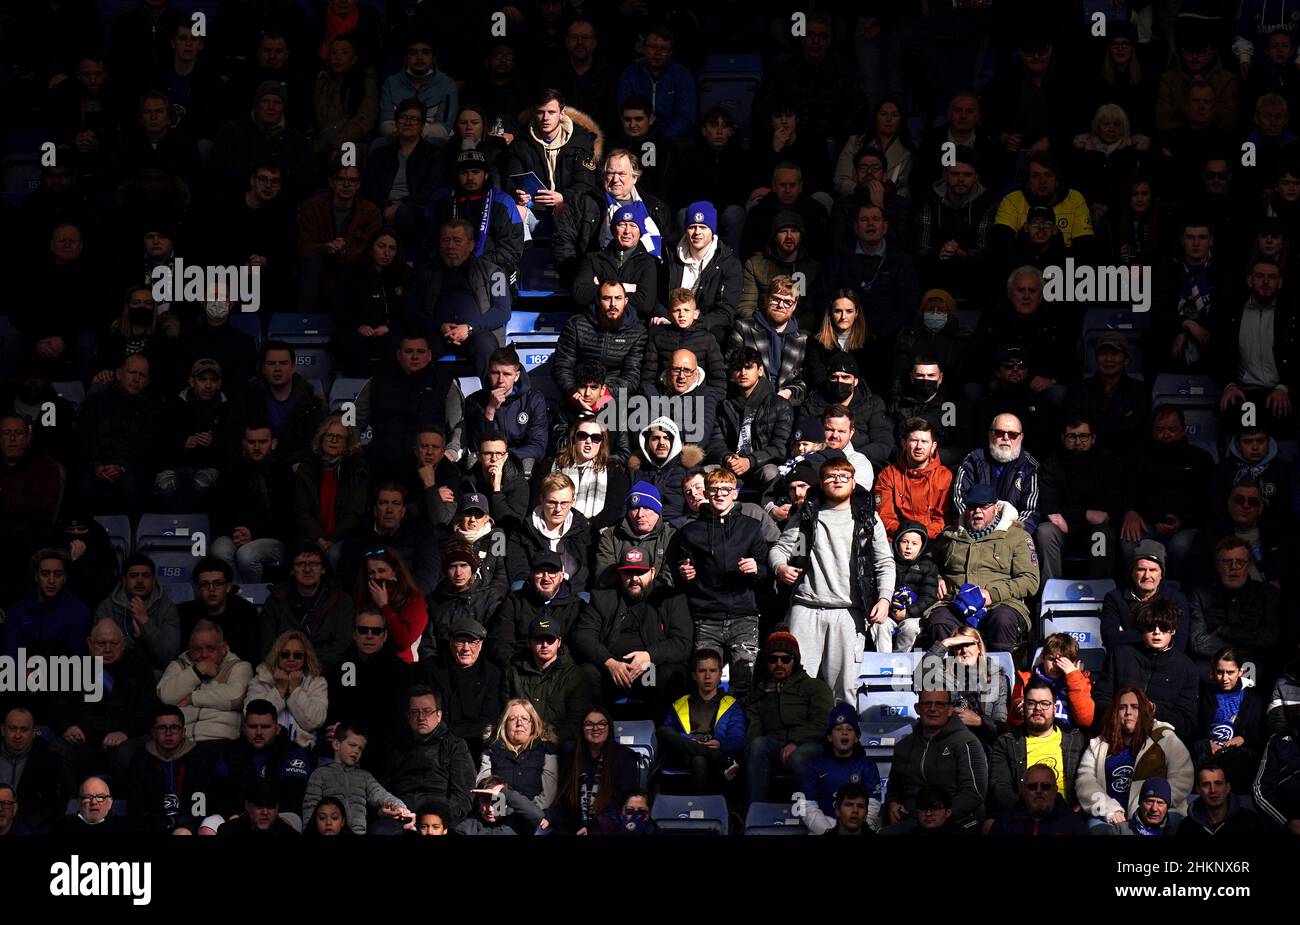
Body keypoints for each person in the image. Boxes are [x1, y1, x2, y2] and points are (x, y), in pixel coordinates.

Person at [770, 457, 894, 694]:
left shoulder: (868, 518)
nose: (837, 480)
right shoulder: (807, 516)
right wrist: (781, 568)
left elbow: (885, 562)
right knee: (793, 687)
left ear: (853, 481)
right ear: (821, 482)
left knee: (844, 690)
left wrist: (885, 598)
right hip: (806, 608)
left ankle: (844, 731)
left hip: (849, 611)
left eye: (843, 476)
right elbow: (780, 549)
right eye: (830, 476)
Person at [670, 467, 770, 696]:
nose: (720, 494)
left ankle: (740, 731)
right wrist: (684, 574)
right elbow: (679, 572)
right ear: (706, 493)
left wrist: (757, 569)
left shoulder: (751, 527)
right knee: (704, 685)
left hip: (743, 615)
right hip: (706, 616)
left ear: (735, 493)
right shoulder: (689, 532)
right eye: (714, 489)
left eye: (726, 489)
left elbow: (766, 573)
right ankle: (705, 731)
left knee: (744, 684)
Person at [571, 545, 693, 712]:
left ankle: (665, 733)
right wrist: (609, 662)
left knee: (671, 675)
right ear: (620, 574)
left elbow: (683, 643)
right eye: (628, 573)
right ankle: (594, 731)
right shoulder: (603, 598)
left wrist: (650, 656)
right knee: (586, 673)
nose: (634, 578)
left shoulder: (670, 598)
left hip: (650, 672)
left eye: (640, 572)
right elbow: (583, 636)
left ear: (652, 572)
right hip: (612, 672)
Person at [923, 484, 1040, 653]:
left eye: (984, 507)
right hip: (954, 603)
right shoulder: (950, 536)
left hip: (1000, 604)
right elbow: (927, 563)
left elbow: (1030, 580)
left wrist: (991, 594)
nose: (977, 511)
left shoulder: (1017, 537)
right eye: (972, 507)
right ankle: (947, 676)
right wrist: (936, 578)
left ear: (995, 508)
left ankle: (998, 675)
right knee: (938, 621)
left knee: (1002, 620)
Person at [406, 220, 511, 382]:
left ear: (471, 245)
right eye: (446, 240)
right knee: (418, 349)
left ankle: (493, 401)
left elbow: (502, 311)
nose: (451, 246)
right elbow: (412, 310)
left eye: (457, 241)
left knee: (485, 346)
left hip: (477, 333)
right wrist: (439, 326)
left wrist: (469, 328)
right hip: (436, 332)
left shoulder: (494, 272)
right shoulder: (424, 273)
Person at [1077, 688, 1194, 827]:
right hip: (1111, 817)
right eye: (1122, 708)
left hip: (1157, 815)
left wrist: (1152, 809)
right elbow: (1085, 782)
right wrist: (1109, 810)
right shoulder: (1099, 744)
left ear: (1143, 711)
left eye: (1135, 707)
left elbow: (1183, 777)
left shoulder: (1164, 737)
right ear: (1115, 712)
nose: (1128, 713)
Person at [744, 627, 835, 805]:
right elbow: (754, 728)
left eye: (785, 659)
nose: (779, 663)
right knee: (757, 746)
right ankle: (755, 812)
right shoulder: (761, 692)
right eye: (773, 659)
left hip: (810, 745)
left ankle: (814, 812)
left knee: (798, 757)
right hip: (774, 746)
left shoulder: (815, 686)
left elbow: (824, 723)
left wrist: (795, 741)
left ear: (795, 660)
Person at [882, 688, 988, 833]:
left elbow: (974, 792)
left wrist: (942, 815)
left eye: (940, 704)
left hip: (957, 821)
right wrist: (893, 803)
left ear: (950, 710)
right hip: (913, 821)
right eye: (927, 704)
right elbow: (894, 788)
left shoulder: (966, 742)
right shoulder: (904, 746)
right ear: (917, 709)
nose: (933, 709)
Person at [813, 203, 920, 345]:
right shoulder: (838, 258)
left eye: (876, 219)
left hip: (889, 340)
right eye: (864, 220)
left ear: (885, 227)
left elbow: (908, 305)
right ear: (856, 228)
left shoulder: (901, 260)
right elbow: (823, 298)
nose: (870, 224)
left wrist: (881, 331)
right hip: (844, 336)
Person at [1096, 598, 1201, 743]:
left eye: (1164, 627)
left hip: (1162, 742)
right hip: (1117, 736)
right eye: (1151, 627)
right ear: (1141, 629)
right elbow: (1101, 699)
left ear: (1173, 630)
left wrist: (1154, 710)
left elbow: (1187, 723)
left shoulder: (1187, 668)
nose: (1157, 632)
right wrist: (1121, 715)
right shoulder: (1121, 655)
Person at [325, 609, 415, 773]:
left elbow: (397, 719)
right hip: (347, 747)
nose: (369, 635)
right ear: (354, 634)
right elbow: (337, 707)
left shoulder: (400, 672)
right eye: (363, 630)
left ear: (385, 635)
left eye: (376, 631)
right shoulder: (342, 667)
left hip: (386, 752)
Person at [75, 353, 163, 519]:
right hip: (95, 466)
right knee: (83, 484)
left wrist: (121, 465)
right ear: (118, 374)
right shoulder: (96, 402)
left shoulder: (153, 410)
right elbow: (84, 438)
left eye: (142, 375)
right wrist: (96, 465)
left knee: (131, 483)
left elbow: (149, 447)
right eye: (132, 373)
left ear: (148, 381)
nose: (136, 379)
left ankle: (132, 537)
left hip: (129, 468)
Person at [1034, 417, 1122, 581]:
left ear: (1093, 438)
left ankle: (1099, 593)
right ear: (1063, 438)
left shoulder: (1106, 464)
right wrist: (1087, 515)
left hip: (1093, 532)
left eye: (1083, 436)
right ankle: (1049, 594)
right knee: (1045, 532)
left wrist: (1073, 517)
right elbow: (1049, 508)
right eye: (1072, 436)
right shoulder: (1052, 465)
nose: (1078, 442)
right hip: (1062, 532)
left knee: (1102, 534)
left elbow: (1108, 512)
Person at [211, 423, 295, 584]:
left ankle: (254, 599)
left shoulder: (284, 473)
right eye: (251, 442)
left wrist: (253, 533)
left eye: (262, 442)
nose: (256, 447)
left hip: (274, 538)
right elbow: (219, 512)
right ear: (243, 443)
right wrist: (235, 532)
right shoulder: (232, 471)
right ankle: (237, 597)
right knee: (219, 549)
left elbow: (288, 519)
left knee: (247, 554)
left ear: (274, 443)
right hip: (235, 534)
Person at [988, 677, 1086, 813]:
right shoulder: (1006, 742)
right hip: (1023, 814)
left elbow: (1086, 780)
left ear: (1054, 708)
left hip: (1067, 813)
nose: (1038, 708)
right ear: (1024, 707)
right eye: (1031, 703)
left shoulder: (1075, 739)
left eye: (1045, 703)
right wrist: (1028, 811)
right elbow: (1000, 788)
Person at [223, 341, 326, 470]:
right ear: (263, 368)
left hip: (295, 468)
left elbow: (314, 443)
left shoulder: (311, 402)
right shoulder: (247, 397)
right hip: (253, 467)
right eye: (271, 364)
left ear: (293, 367)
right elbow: (233, 435)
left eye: (283, 363)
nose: (277, 369)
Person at [656, 649, 747, 795]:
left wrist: (720, 744)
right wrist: (692, 741)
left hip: (717, 751)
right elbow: (667, 734)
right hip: (688, 753)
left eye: (713, 670)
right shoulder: (680, 703)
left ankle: (702, 808)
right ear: (694, 675)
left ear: (719, 675)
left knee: (699, 759)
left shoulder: (732, 704)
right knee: (663, 731)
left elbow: (739, 739)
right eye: (702, 671)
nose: (707, 676)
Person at [383, 686, 476, 827]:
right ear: (408, 717)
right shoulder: (396, 746)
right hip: (401, 816)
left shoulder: (455, 745)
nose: (421, 717)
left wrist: (429, 818)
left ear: (438, 715)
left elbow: (464, 798)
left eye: (427, 711)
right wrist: (386, 808)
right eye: (415, 712)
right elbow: (383, 788)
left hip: (441, 817)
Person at [296, 159, 382, 310]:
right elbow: (303, 246)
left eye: (352, 180)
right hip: (319, 262)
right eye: (341, 179)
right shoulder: (312, 207)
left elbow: (370, 250)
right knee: (311, 263)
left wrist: (345, 252)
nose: (347, 185)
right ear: (331, 182)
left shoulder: (370, 212)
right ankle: (304, 319)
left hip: (353, 266)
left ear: (359, 184)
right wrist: (326, 248)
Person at [913, 147, 996, 301]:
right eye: (955, 174)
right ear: (945, 175)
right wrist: (942, 251)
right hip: (935, 268)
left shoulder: (986, 202)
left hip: (973, 272)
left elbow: (985, 249)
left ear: (977, 177)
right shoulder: (929, 198)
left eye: (967, 174)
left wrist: (962, 254)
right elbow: (921, 246)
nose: (961, 179)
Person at [708, 347, 795, 492]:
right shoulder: (724, 405)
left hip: (762, 466)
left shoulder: (780, 405)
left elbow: (780, 449)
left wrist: (750, 461)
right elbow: (715, 443)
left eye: (748, 367)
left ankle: (772, 509)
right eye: (738, 368)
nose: (743, 373)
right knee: (702, 474)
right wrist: (727, 457)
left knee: (771, 473)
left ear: (760, 370)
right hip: (730, 467)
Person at [260, 543, 355, 675]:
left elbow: (342, 645)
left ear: (323, 569)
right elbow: (268, 645)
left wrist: (307, 665)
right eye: (300, 564)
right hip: (282, 671)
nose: (307, 569)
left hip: (328, 672)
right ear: (292, 570)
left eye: (314, 563)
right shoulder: (275, 601)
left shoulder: (342, 601)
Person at [1188, 537, 1283, 668]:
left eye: (1240, 562)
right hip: (1213, 662)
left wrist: (1224, 631)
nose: (1233, 567)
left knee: (1249, 681)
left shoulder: (1267, 593)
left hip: (1252, 664)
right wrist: (1249, 645)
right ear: (1218, 565)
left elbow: (1268, 639)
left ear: (1248, 565)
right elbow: (1198, 643)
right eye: (1227, 562)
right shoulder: (1200, 595)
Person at [505, 88, 601, 217]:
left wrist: (562, 197)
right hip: (533, 209)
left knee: (564, 209)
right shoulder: (521, 144)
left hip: (569, 211)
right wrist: (518, 195)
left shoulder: (580, 142)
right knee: (516, 211)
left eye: (551, 112)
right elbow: (510, 182)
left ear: (562, 114)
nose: (545, 118)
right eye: (541, 112)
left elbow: (586, 184)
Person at [302, 723, 410, 835]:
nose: (356, 751)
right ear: (336, 744)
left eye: (360, 748)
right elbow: (310, 807)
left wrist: (399, 807)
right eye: (352, 745)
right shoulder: (320, 774)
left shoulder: (364, 777)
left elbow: (380, 794)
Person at [212, 700, 312, 818]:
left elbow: (292, 801)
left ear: (277, 728)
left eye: (265, 727)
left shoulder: (293, 753)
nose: (258, 732)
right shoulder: (229, 752)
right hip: (236, 817)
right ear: (243, 728)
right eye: (252, 727)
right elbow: (220, 795)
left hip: (278, 819)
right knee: (211, 821)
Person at [292, 415, 370, 565]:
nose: (334, 440)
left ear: (347, 443)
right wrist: (319, 538)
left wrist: (332, 540)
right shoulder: (307, 469)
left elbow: (355, 512)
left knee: (335, 555)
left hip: (342, 538)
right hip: (312, 536)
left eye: (339, 437)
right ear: (321, 439)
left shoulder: (356, 470)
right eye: (330, 435)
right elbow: (301, 511)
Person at [422, 617, 501, 766]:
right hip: (434, 744)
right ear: (451, 642)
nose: (466, 648)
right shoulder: (431, 670)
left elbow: (488, 720)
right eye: (460, 641)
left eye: (472, 642)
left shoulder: (491, 675)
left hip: (475, 747)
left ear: (481, 644)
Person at [157, 621, 254, 743]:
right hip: (181, 742)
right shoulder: (178, 665)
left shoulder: (238, 666)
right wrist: (197, 671)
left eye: (210, 648)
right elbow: (166, 697)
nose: (204, 655)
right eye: (198, 649)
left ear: (223, 648)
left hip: (220, 739)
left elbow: (235, 698)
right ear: (190, 649)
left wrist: (192, 698)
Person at [125, 704, 215, 834]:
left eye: (174, 727)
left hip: (188, 824)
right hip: (152, 826)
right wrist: (158, 823)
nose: (168, 733)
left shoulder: (198, 758)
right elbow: (136, 807)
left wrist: (177, 822)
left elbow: (200, 805)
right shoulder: (141, 760)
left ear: (183, 732)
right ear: (153, 733)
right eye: (162, 728)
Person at [551, 706, 640, 835]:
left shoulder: (624, 757)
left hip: (610, 828)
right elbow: (564, 798)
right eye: (589, 724)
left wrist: (595, 828)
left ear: (609, 727)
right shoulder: (571, 755)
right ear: (582, 729)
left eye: (601, 724)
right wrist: (549, 816)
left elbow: (624, 803)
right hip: (575, 828)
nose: (595, 728)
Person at [337, 482, 439, 595]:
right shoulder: (356, 535)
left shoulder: (420, 533)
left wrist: (396, 596)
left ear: (403, 511)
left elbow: (428, 578)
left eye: (396, 503)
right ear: (375, 510)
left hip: (406, 600)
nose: (389, 510)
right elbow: (347, 577)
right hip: (367, 602)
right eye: (383, 503)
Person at [503, 616, 592, 744]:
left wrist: (547, 738)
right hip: (519, 743)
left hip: (558, 745)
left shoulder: (575, 675)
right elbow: (505, 715)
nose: (545, 645)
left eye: (550, 640)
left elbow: (577, 723)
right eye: (539, 640)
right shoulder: (513, 672)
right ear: (529, 642)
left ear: (559, 642)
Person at [552, 279, 647, 400]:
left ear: (626, 301)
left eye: (618, 298)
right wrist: (574, 393)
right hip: (579, 392)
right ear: (597, 300)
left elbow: (631, 376)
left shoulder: (637, 332)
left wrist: (603, 395)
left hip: (614, 396)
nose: (613, 304)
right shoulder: (576, 325)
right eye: (606, 298)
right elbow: (562, 366)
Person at [663, 202, 742, 343]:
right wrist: (664, 316)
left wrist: (695, 324)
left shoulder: (729, 264)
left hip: (706, 330)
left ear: (712, 231)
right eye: (692, 227)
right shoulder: (670, 257)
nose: (697, 232)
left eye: (703, 227)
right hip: (670, 324)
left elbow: (726, 312)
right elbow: (657, 297)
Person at [918, 626, 1009, 748]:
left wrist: (979, 722)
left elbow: (1001, 726)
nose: (964, 650)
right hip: (946, 744)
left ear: (979, 648)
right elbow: (918, 678)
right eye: (959, 646)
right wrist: (945, 643)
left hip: (984, 745)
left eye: (969, 644)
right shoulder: (942, 673)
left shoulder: (996, 678)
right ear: (953, 651)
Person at [799, 703, 883, 834]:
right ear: (829, 737)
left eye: (849, 729)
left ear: (857, 737)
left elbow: (873, 803)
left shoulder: (867, 765)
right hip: (822, 830)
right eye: (838, 729)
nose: (844, 732)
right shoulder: (815, 765)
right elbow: (806, 805)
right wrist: (828, 831)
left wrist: (856, 829)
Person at [952, 414, 1042, 535]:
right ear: (990, 434)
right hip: (974, 532)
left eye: (1012, 434)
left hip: (1011, 535)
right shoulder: (973, 461)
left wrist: (1004, 536)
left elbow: (1031, 511)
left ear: (1021, 437)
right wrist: (977, 529)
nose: (1006, 438)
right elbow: (959, 501)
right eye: (999, 433)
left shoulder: (1029, 466)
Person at [1192, 647, 1266, 793]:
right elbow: (1194, 728)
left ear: (1240, 672)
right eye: (1220, 672)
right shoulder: (1206, 695)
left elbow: (1259, 734)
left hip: (1238, 755)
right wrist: (1208, 743)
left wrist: (1242, 739)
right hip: (1207, 753)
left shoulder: (1252, 699)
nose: (1224, 678)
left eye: (1230, 672)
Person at [727, 277, 809, 405]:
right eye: (776, 299)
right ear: (766, 300)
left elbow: (804, 381)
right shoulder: (744, 328)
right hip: (749, 400)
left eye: (787, 302)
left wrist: (789, 392)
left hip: (787, 404)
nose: (781, 305)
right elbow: (731, 368)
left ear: (794, 306)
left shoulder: (802, 339)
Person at [572, 205, 660, 324]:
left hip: (633, 330)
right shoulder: (593, 259)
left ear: (640, 232)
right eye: (622, 225)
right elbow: (580, 295)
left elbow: (645, 304)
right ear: (613, 229)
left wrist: (600, 289)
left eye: (633, 226)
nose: (627, 231)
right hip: (596, 326)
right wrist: (627, 288)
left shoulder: (649, 263)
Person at [93, 554, 181, 671]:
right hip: (116, 675)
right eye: (133, 576)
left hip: (156, 677)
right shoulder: (107, 607)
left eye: (145, 576)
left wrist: (145, 622)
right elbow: (98, 653)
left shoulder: (167, 607)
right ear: (124, 580)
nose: (139, 581)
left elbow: (169, 657)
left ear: (154, 580)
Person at [463, 348, 549, 467]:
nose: (500, 380)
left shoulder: (533, 400)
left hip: (519, 463)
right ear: (488, 372)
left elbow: (538, 446)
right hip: (487, 465)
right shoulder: (474, 401)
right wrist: (489, 411)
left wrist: (504, 457)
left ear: (517, 376)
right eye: (495, 373)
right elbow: (475, 446)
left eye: (507, 374)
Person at [421, 542, 506, 663]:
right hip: (442, 667)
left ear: (472, 567)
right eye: (452, 566)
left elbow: (496, 642)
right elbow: (429, 644)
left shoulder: (489, 598)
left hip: (481, 668)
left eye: (464, 565)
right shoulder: (435, 600)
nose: (458, 573)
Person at [244, 631, 329, 750]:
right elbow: (249, 714)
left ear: (305, 657)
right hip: (262, 745)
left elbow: (314, 722)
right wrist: (279, 690)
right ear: (277, 656)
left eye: (298, 655)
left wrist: (295, 691)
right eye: (285, 654)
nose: (291, 659)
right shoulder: (262, 677)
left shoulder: (316, 682)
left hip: (301, 747)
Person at [875, 418, 953, 541]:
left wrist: (921, 535)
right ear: (904, 443)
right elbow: (884, 516)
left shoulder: (945, 476)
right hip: (897, 539)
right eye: (914, 441)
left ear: (933, 446)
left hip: (932, 540)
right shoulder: (888, 475)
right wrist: (905, 535)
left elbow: (943, 518)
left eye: (924, 441)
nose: (919, 446)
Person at [738, 212, 821, 327]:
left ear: (801, 236)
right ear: (775, 236)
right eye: (783, 231)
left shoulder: (812, 268)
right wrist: (769, 325)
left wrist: (787, 327)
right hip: (762, 329)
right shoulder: (755, 264)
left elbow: (813, 313)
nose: (789, 236)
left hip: (799, 332)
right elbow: (745, 307)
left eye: (794, 231)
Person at [3, 549, 89, 659]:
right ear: (36, 577)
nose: (51, 580)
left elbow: (78, 659)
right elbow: (9, 657)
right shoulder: (17, 612)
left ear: (65, 578)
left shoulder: (79, 611)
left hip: (64, 673)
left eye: (58, 574)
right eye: (45, 574)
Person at [548, 417, 628, 533]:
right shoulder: (552, 465)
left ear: (602, 442)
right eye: (582, 435)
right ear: (573, 438)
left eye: (596, 438)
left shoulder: (614, 470)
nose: (589, 441)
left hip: (592, 534)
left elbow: (613, 510)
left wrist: (586, 527)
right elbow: (540, 500)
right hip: (552, 529)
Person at [616, 25, 695, 140]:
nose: (657, 52)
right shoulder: (630, 74)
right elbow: (625, 112)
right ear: (643, 48)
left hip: (672, 139)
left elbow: (686, 117)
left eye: (663, 49)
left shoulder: (682, 75)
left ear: (670, 53)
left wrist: (661, 138)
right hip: (636, 136)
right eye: (653, 47)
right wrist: (645, 136)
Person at [477, 699, 558, 811]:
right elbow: (484, 787)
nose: (519, 723)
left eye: (524, 719)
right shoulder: (491, 750)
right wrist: (502, 812)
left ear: (533, 724)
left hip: (535, 816)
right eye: (513, 719)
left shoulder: (546, 751)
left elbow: (548, 796)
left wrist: (527, 812)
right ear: (505, 724)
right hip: (498, 814)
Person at [1009, 633, 1096, 732]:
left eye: (1063, 661)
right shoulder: (1026, 680)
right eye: (1051, 659)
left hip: (1069, 739)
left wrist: (1074, 676)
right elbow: (1012, 723)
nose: (1056, 665)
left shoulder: (1081, 682)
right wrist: (1019, 713)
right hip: (1035, 736)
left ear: (1073, 663)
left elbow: (1086, 721)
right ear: (1042, 657)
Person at [377, 33, 457, 141]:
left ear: (434, 57)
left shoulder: (447, 85)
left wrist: (411, 135)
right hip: (396, 141)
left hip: (433, 144)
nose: (419, 57)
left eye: (425, 52)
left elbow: (444, 127)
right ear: (405, 57)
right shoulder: (391, 83)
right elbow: (385, 123)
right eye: (413, 52)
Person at [1, 707, 66, 835]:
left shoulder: (50, 761)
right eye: (13, 729)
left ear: (34, 732)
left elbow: (55, 805)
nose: (18, 735)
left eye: (24, 730)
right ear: (2, 730)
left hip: (31, 828)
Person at [984, 762, 1088, 836]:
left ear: (1055, 790)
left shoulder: (1073, 824)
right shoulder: (1004, 822)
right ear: (1023, 790)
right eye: (1032, 786)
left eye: (1046, 786)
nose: (1039, 791)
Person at [1178, 761, 1273, 837]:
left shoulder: (1252, 824)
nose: (1213, 790)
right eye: (1206, 784)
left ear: (1227, 788)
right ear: (1198, 790)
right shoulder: (1187, 827)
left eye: (1218, 783)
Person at [887, 521, 939, 654]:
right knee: (880, 627)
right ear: (897, 542)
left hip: (912, 615)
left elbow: (928, 597)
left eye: (914, 544)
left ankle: (900, 659)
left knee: (910, 628)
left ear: (922, 546)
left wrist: (909, 612)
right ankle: (882, 660)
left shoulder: (928, 565)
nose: (909, 547)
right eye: (904, 542)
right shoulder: (887, 562)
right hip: (888, 613)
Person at [456, 775, 545, 835]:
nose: (490, 809)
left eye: (497, 801)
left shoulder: (517, 820)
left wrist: (504, 793)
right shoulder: (467, 827)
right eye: (486, 801)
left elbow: (537, 815)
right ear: (478, 802)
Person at [53, 776, 137, 836]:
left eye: (101, 797)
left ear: (110, 803)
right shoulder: (61, 827)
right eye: (87, 797)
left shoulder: (126, 828)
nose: (94, 802)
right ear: (78, 803)